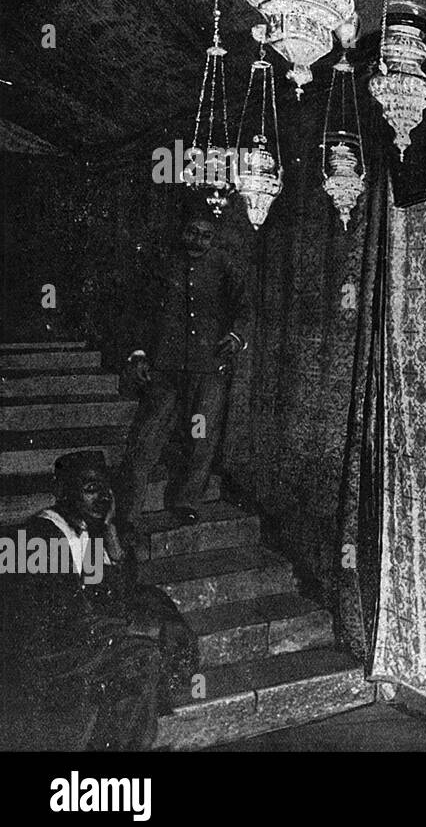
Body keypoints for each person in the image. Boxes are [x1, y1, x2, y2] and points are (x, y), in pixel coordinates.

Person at [0, 450, 196, 750]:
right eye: (91, 489)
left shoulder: (87, 530)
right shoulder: (41, 535)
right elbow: (68, 616)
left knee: (153, 609)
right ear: (63, 492)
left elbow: (106, 595)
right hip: (46, 654)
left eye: (107, 490)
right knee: (140, 656)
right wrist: (132, 629)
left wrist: (111, 541)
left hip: (76, 638)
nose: (103, 498)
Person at [120, 206, 251, 524]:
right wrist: (138, 354)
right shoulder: (163, 263)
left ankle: (186, 499)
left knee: (201, 438)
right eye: (192, 232)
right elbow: (141, 309)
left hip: (209, 369)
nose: (198, 241)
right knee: (145, 439)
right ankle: (128, 511)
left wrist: (236, 336)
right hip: (165, 368)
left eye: (206, 236)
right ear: (182, 232)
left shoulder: (224, 265)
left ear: (214, 238)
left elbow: (246, 307)